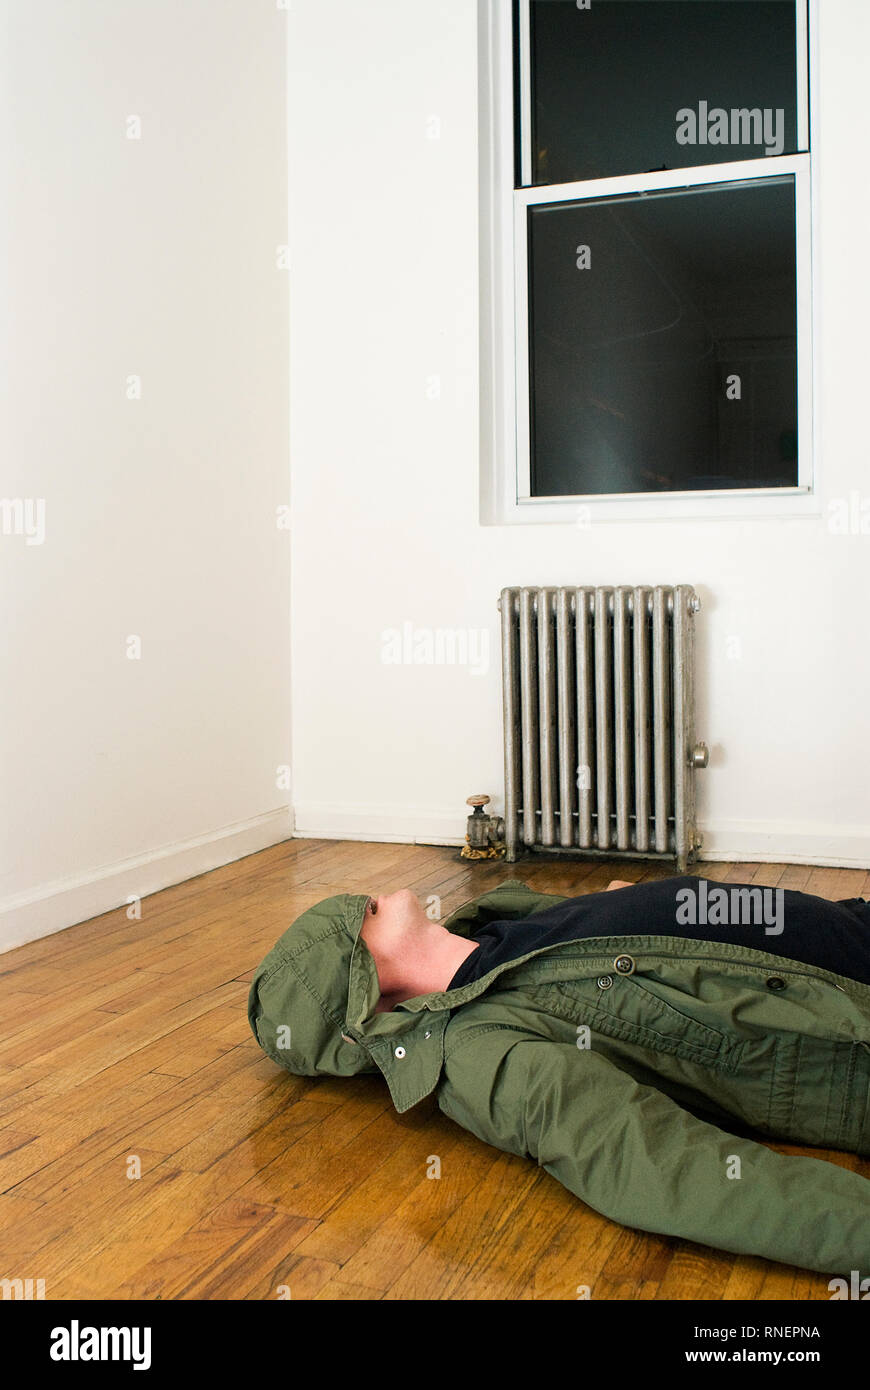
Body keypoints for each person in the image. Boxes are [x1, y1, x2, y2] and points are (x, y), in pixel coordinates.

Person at [247, 873, 870, 1275]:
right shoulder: (483, 1055)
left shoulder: (491, 927)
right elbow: (657, 1165)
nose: (369, 896)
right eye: (361, 915)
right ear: (364, 985)